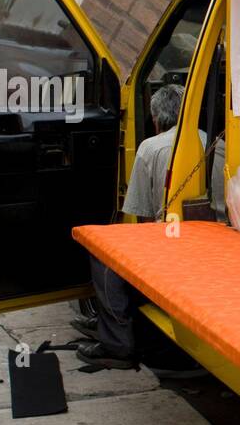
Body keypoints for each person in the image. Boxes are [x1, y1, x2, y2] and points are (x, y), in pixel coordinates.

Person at [72, 84, 207, 371]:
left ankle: (117, 341)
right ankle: (111, 325)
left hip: (173, 248)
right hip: (211, 245)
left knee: (104, 255)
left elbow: (144, 221)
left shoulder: (150, 148)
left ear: (156, 119)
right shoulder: (212, 142)